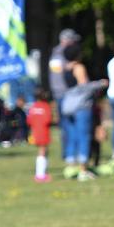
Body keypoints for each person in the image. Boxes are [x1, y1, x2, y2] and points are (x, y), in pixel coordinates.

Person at [61, 43, 107, 181]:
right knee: (84, 136)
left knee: (72, 136)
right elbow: (83, 86)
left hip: (68, 105)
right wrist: (100, 83)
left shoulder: (65, 68)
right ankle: (83, 170)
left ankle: (70, 166)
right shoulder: (79, 67)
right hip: (81, 106)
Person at [48, 29, 81, 158]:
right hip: (63, 93)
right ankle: (69, 153)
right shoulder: (58, 55)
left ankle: (69, 152)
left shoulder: (58, 54)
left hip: (63, 93)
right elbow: (57, 75)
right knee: (67, 124)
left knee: (68, 124)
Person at [27, 89, 53, 182]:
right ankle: (40, 175)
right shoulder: (46, 106)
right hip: (43, 132)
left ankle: (42, 173)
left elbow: (29, 120)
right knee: (42, 152)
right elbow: (48, 120)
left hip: (35, 132)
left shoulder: (33, 107)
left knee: (42, 151)